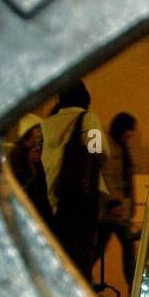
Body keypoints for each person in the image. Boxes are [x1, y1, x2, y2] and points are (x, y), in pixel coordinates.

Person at [40, 81, 109, 273]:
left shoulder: (46, 124)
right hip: (82, 194)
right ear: (84, 97)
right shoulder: (88, 119)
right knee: (82, 251)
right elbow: (99, 148)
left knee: (61, 250)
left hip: (54, 193)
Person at [94, 112, 138, 291]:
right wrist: (113, 202)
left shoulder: (121, 147)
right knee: (122, 247)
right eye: (130, 130)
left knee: (104, 247)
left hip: (118, 210)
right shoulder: (111, 147)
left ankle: (133, 286)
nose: (132, 134)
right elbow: (107, 175)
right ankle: (133, 287)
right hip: (111, 210)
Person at [3, 116, 54, 221]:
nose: (41, 134)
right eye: (38, 130)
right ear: (29, 132)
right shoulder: (18, 155)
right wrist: (31, 164)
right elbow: (24, 187)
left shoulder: (34, 153)